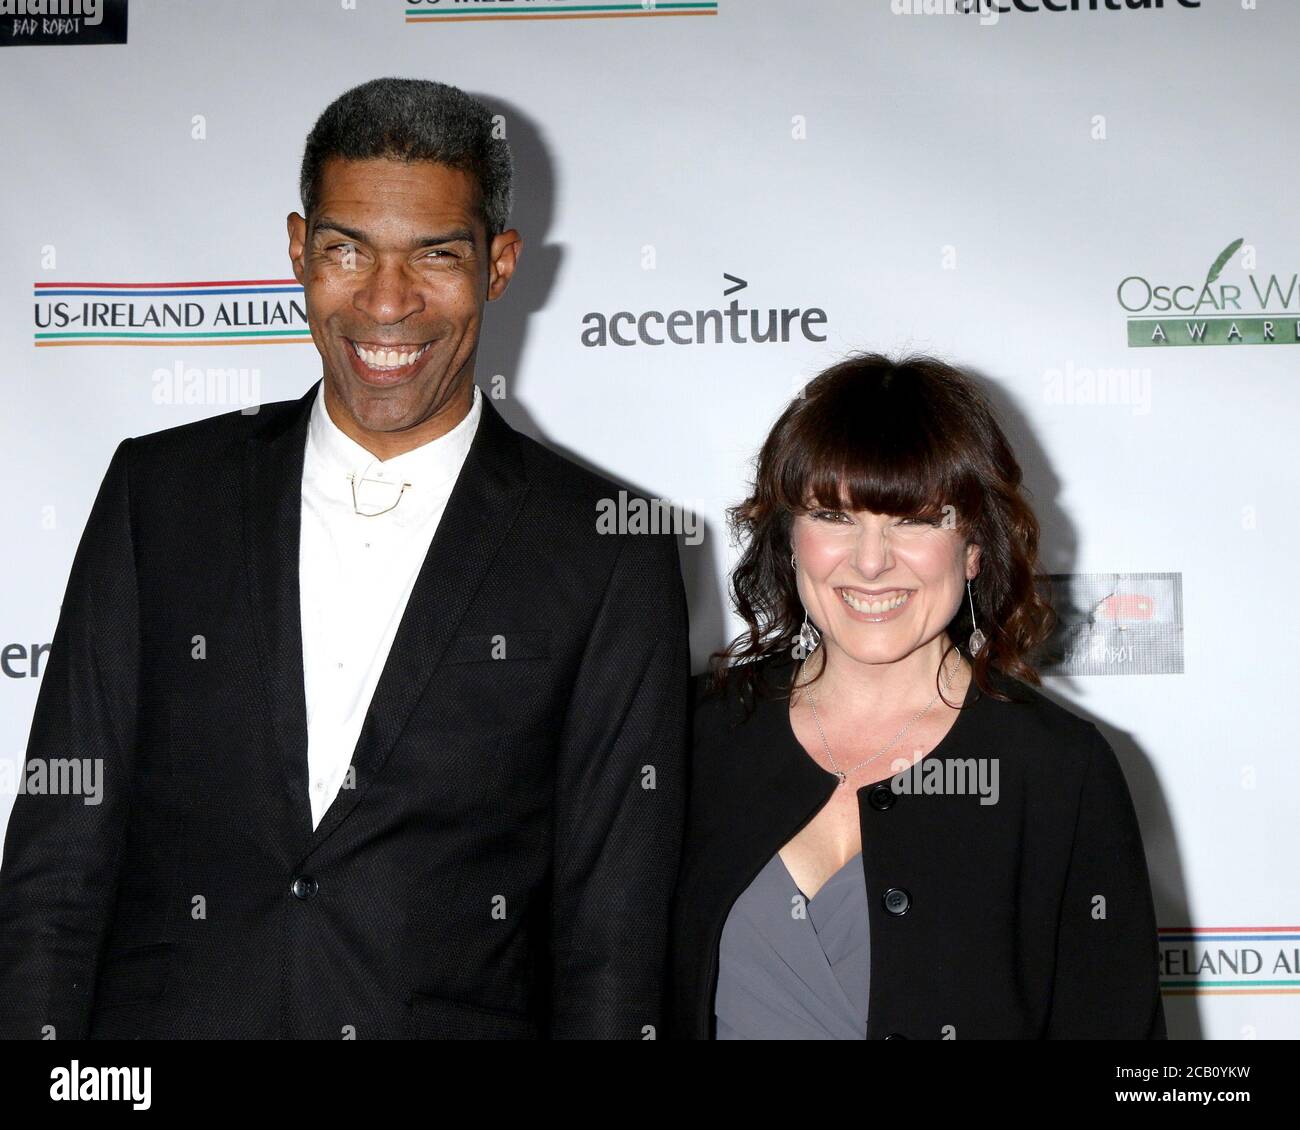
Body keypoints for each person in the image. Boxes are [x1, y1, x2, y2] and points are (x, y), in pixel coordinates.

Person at [0, 77, 689, 1040]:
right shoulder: (160, 495)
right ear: (298, 250)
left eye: (435, 256)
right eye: (346, 250)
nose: (386, 301)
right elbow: (57, 861)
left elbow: (612, 941)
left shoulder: (610, 549)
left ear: (499, 265)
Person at [669, 352, 1165, 1040]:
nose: (871, 562)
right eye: (833, 516)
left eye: (915, 519)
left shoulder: (1056, 770)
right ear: (789, 540)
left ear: (974, 547)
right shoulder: (690, 734)